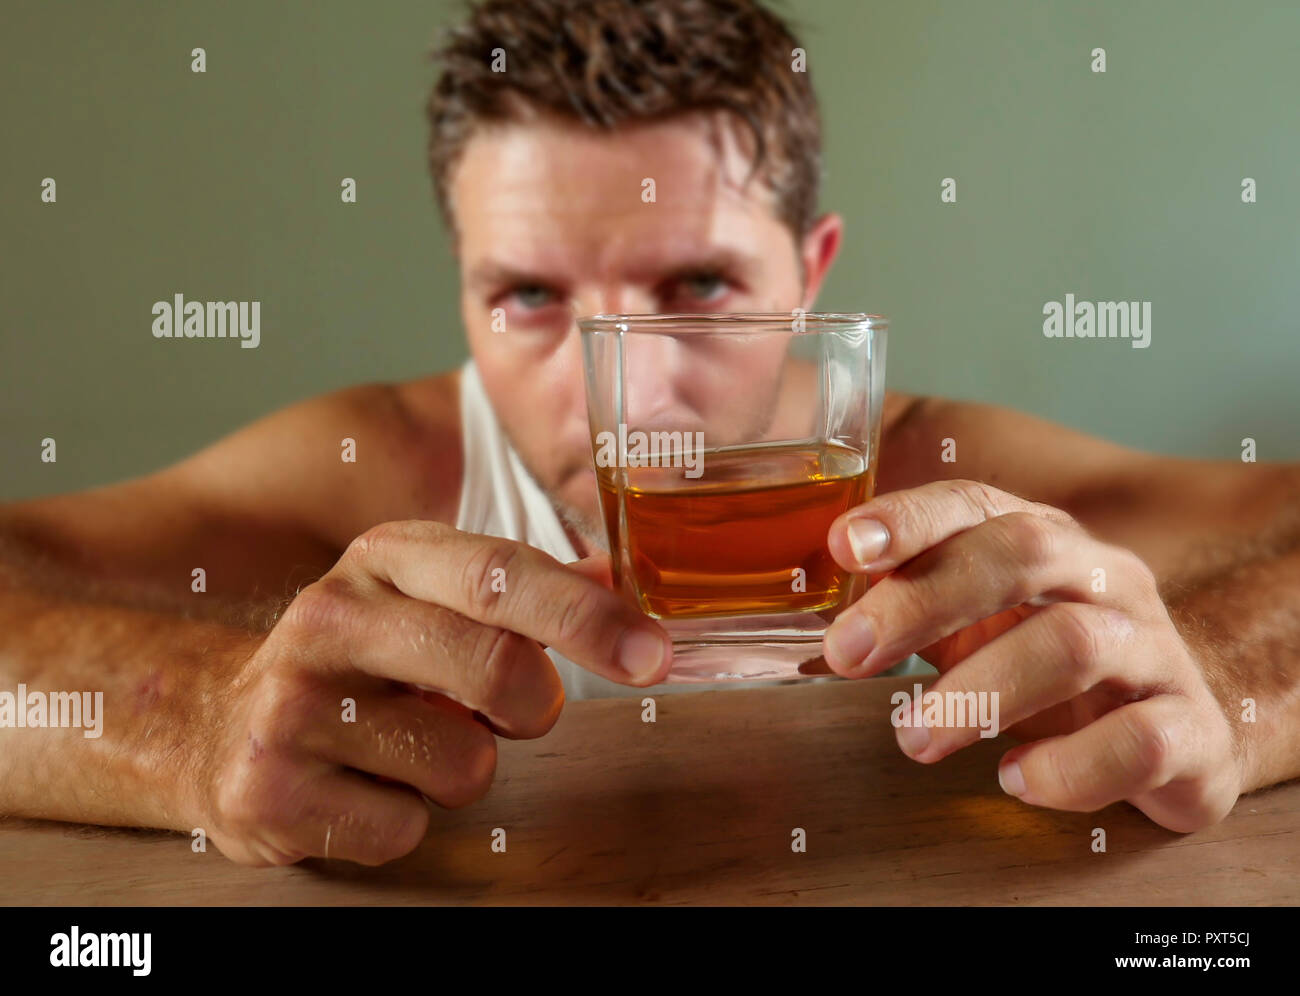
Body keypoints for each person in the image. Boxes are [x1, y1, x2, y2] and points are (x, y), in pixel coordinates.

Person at [1, 0, 1297, 867]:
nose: (629, 400)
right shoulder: (377, 479)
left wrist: (1224, 686)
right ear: (460, 288)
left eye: (699, 290)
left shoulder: (951, 493)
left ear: (810, 272)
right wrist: (191, 727)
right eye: (529, 298)